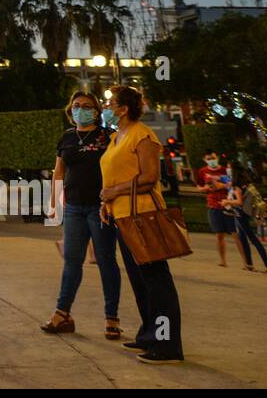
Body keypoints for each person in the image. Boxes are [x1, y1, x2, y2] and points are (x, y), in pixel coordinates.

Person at [99, 85, 184, 364]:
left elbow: (149, 176)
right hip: (123, 217)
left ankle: (167, 345)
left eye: (110, 102)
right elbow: (115, 175)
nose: (106, 106)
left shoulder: (142, 134)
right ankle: (149, 335)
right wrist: (107, 203)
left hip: (143, 216)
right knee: (140, 281)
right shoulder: (116, 137)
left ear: (123, 109)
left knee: (156, 281)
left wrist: (115, 191)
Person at [40, 91, 121, 340]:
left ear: (96, 111)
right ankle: (62, 313)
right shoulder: (66, 137)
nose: (81, 109)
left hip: (101, 208)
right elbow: (58, 172)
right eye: (76, 106)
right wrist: (53, 202)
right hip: (74, 208)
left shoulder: (108, 136)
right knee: (71, 262)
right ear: (70, 110)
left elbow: (117, 168)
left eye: (87, 106)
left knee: (106, 261)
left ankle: (112, 318)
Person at [195, 149, 241, 267]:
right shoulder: (202, 171)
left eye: (213, 158)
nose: (211, 161)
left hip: (228, 204)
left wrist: (223, 185)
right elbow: (198, 187)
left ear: (218, 158)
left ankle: (246, 261)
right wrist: (206, 188)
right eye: (208, 159)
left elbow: (234, 186)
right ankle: (223, 261)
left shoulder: (225, 170)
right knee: (219, 235)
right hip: (213, 205)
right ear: (204, 160)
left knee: (235, 234)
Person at [227, 165, 267, 274]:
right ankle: (249, 264)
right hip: (245, 213)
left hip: (240, 214)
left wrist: (227, 202)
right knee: (242, 238)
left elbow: (239, 202)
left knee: (253, 240)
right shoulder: (247, 183)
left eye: (229, 168)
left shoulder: (236, 185)